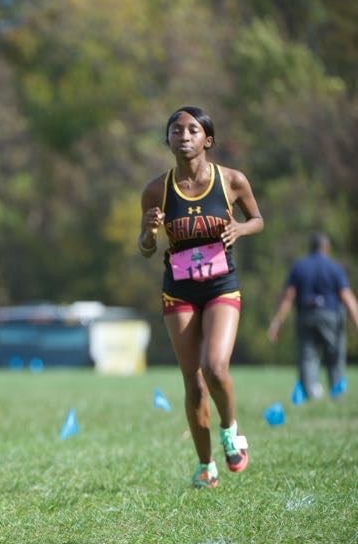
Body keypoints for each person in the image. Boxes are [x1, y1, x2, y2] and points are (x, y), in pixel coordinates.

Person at [137, 106, 264, 489]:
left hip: (221, 285)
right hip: (178, 291)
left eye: (193, 130)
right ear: (168, 140)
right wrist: (147, 233)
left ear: (207, 139)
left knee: (215, 367)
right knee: (193, 383)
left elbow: (257, 219)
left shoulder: (231, 181)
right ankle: (205, 465)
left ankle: (230, 430)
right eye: (176, 130)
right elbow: (146, 249)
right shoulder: (156, 189)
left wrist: (239, 229)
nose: (184, 136)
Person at [267, 232, 358, 399]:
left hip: (306, 316)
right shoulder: (334, 268)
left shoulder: (299, 266)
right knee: (335, 356)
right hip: (330, 316)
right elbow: (347, 298)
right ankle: (337, 393)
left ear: (311, 248)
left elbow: (288, 297)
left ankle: (310, 394)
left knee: (307, 357)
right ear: (326, 248)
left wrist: (276, 322)